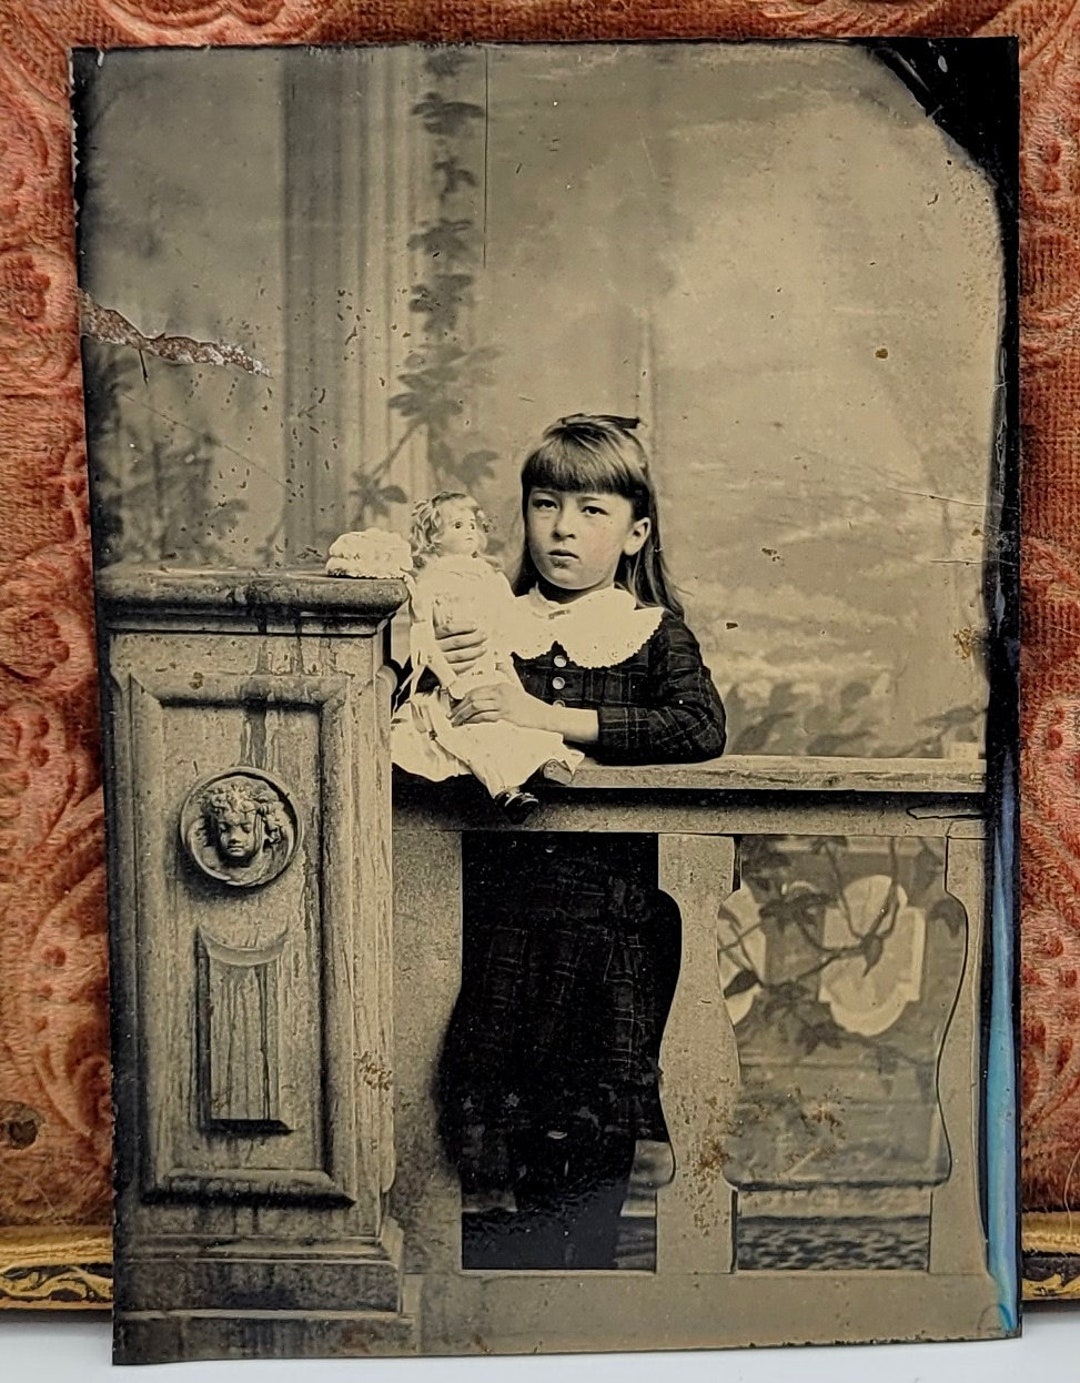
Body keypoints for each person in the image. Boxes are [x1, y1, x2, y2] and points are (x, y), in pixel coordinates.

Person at [433, 414, 727, 1271]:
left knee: (595, 1104)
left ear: (635, 531)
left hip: (611, 919)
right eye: (545, 503)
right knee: (517, 1105)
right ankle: (532, 1290)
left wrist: (549, 718)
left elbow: (699, 727)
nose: (562, 528)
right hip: (505, 909)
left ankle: (587, 1280)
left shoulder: (647, 630)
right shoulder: (492, 619)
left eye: (591, 510)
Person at [390, 491, 582, 820]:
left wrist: (506, 672)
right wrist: (449, 681)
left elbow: (501, 630)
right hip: (456, 678)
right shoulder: (432, 580)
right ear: (434, 537)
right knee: (471, 731)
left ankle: (541, 766)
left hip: (489, 667)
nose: (469, 532)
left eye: (473, 525)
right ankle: (505, 791)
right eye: (457, 525)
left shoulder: (487, 577)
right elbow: (427, 642)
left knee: (514, 724)